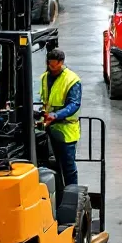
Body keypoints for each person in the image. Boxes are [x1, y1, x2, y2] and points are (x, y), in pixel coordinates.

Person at [39, 48, 81, 186]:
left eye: (54, 64)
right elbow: (43, 99)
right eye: (49, 64)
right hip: (48, 126)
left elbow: (74, 104)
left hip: (65, 128)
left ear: (61, 62)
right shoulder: (45, 77)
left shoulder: (72, 80)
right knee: (50, 163)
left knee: (68, 165)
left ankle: (71, 193)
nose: (51, 67)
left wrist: (56, 115)